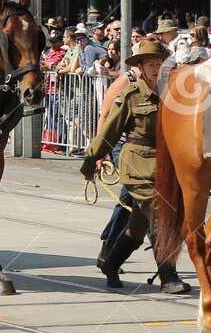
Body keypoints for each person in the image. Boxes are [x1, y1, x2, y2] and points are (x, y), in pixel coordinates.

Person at [79, 38, 189, 294]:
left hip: (166, 163)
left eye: (160, 63)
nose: (155, 68)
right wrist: (91, 160)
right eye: (150, 64)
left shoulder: (174, 94)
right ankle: (168, 275)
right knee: (161, 215)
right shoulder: (130, 95)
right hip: (137, 161)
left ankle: (111, 263)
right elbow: (109, 132)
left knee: (138, 226)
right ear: (140, 66)